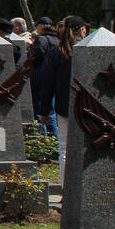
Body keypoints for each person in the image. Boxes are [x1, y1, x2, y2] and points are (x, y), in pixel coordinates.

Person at [34, 15, 87, 184]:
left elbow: (48, 83)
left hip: (65, 106)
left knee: (64, 147)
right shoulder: (87, 50)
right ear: (82, 30)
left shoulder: (57, 52)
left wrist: (44, 110)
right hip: (88, 108)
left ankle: (67, 188)